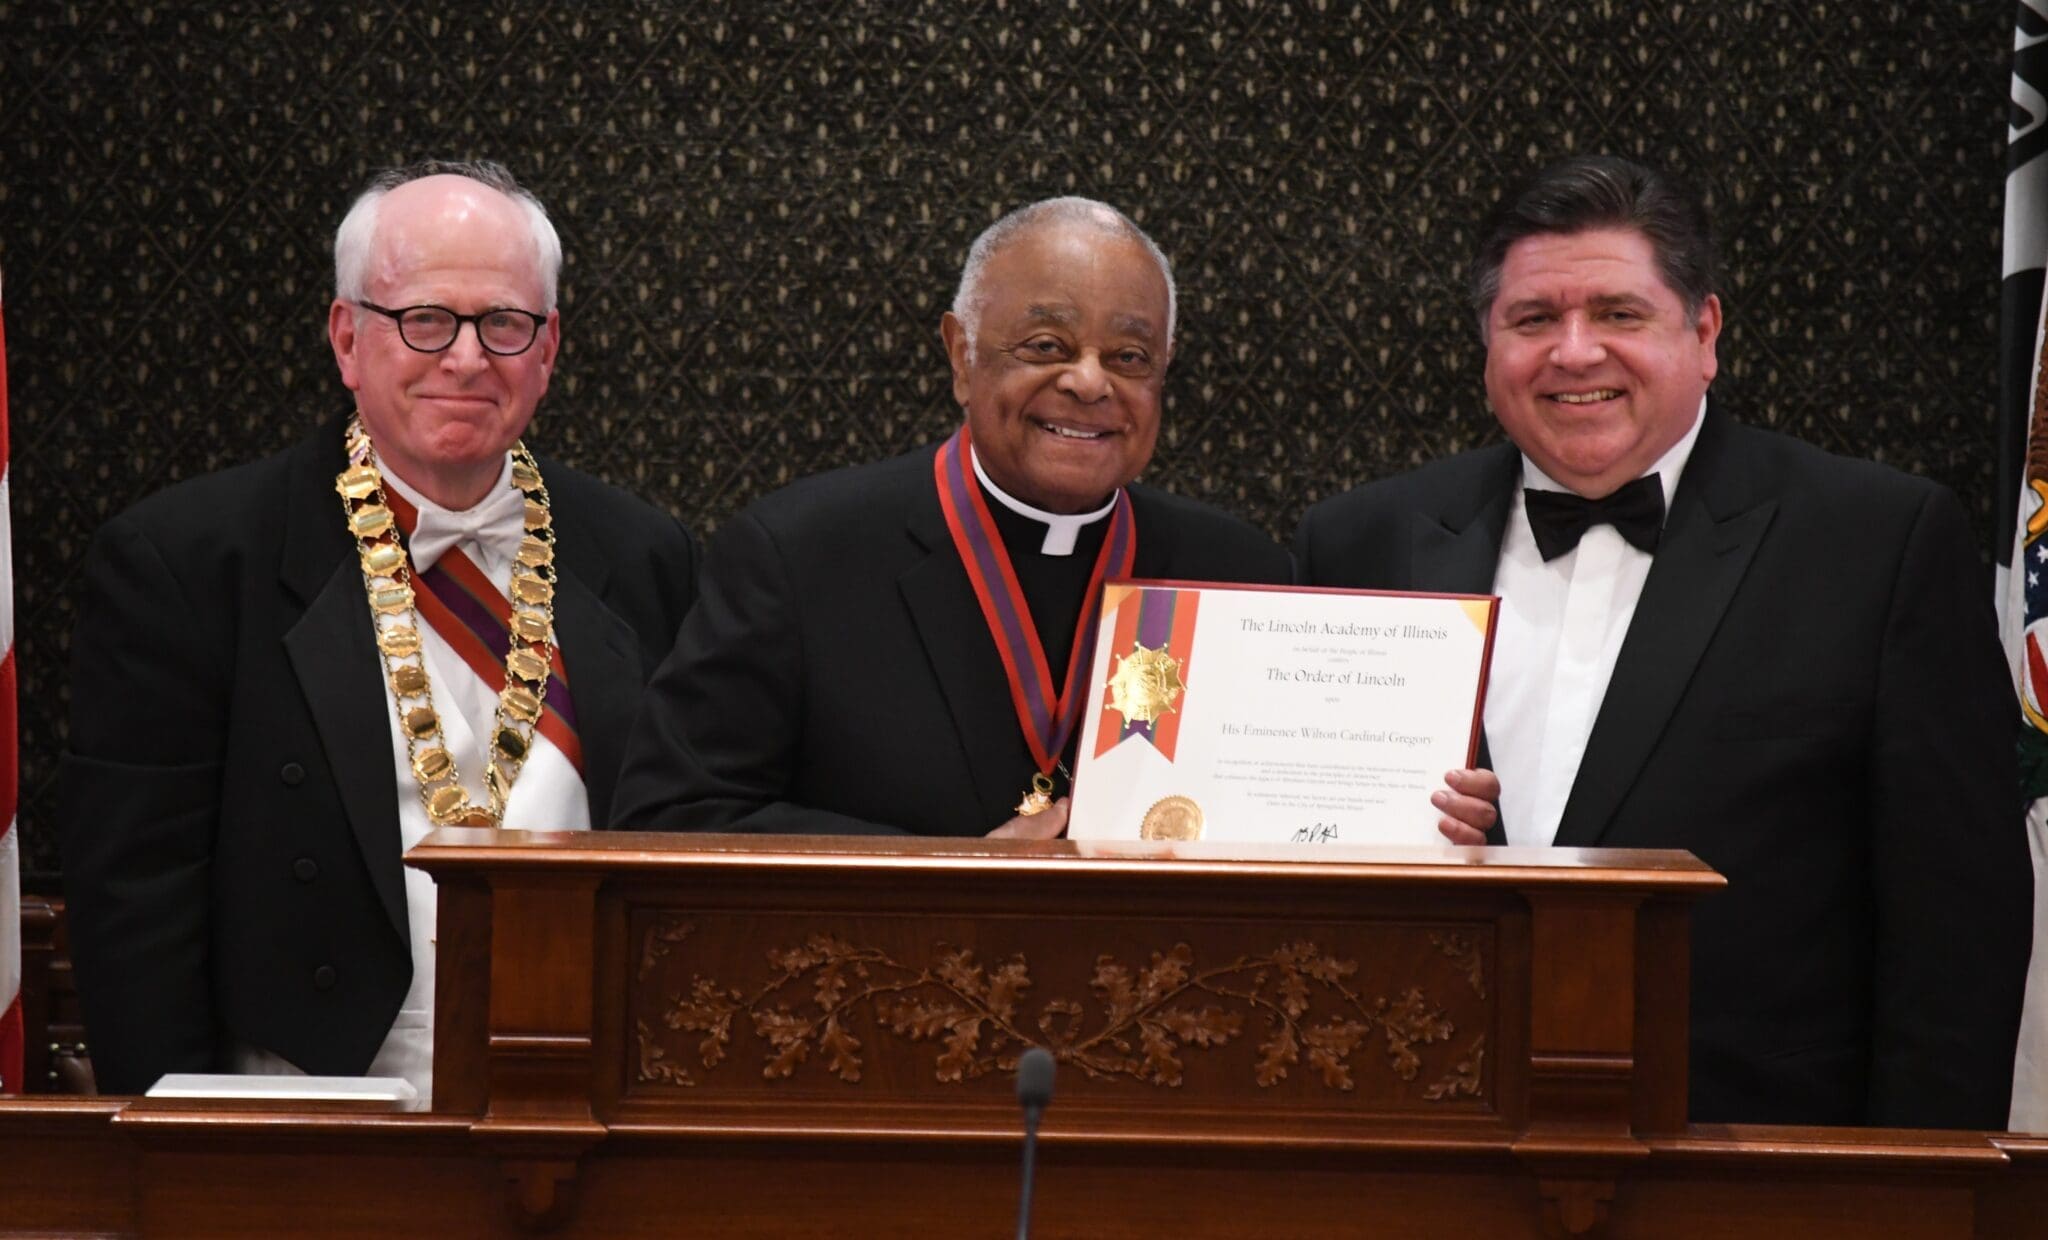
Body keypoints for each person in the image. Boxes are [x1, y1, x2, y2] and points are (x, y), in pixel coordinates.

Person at [1295, 154, 2030, 1129]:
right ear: (1484, 347)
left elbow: (1957, 932)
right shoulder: (1359, 542)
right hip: (1412, 1147)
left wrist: (1913, 1193)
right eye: (1530, 320)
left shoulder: (1875, 542)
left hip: (1751, 1169)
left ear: (1704, 332)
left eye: (1616, 314)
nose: (1571, 351)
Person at [60, 160, 699, 1102]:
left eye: (505, 324)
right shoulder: (188, 562)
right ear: (347, 337)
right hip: (302, 1122)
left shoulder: (645, 556)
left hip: (583, 1103)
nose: (468, 359)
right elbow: (135, 905)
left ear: (550, 346)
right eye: (425, 320)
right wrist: (184, 1156)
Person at [611, 197, 1499, 839]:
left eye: (1129, 355)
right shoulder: (798, 555)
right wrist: (954, 873)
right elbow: (672, 816)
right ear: (960, 355)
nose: (1087, 381)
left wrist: (1421, 817)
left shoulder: (1239, 571)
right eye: (1045, 346)